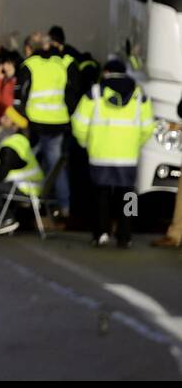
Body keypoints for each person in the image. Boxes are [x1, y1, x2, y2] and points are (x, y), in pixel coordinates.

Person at [71, 59, 152, 247]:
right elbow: (148, 127)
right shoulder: (140, 96)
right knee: (128, 196)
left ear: (106, 72)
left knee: (101, 195)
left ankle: (101, 233)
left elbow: (79, 123)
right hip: (128, 156)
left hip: (100, 154)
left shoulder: (94, 93)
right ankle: (126, 234)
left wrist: (86, 143)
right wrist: (135, 144)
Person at [16, 32, 76, 217]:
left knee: (30, 162)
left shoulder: (29, 65)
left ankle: (29, 201)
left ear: (29, 49)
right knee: (55, 165)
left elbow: (21, 96)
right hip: (58, 122)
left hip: (35, 123)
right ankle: (62, 205)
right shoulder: (60, 65)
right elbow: (69, 93)